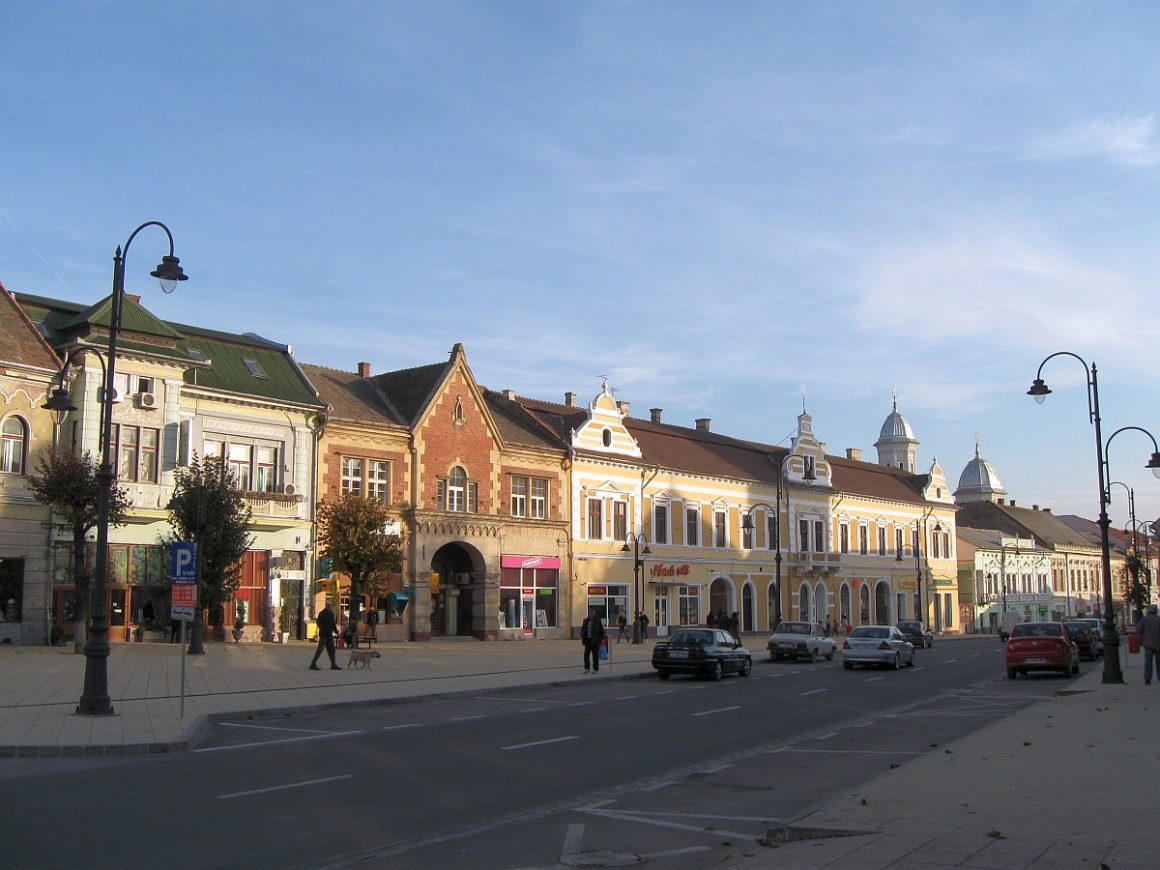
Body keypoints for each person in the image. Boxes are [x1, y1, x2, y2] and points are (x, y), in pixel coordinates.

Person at [310, 602, 342, 671]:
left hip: (329, 635)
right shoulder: (322, 613)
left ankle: (333, 664)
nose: (329, 607)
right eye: (328, 605)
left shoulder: (331, 613)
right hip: (323, 635)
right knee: (320, 649)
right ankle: (313, 663)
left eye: (330, 605)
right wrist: (323, 629)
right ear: (326, 606)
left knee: (332, 650)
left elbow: (333, 624)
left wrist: (336, 631)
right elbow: (318, 623)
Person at [1136, 604, 1160, 685]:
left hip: (1147, 643)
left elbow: (1138, 630)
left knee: (1148, 662)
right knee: (1159, 662)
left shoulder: (1145, 620)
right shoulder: (1158, 620)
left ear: (1149, 611)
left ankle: (1147, 678)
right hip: (1158, 644)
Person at [580, 607, 605, 673]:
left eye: (591, 613)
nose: (590, 614)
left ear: (594, 614)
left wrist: (602, 639)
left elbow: (602, 631)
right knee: (586, 655)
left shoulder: (598, 621)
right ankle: (587, 668)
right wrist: (582, 635)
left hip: (595, 641)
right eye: (589, 613)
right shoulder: (585, 621)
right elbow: (583, 629)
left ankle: (595, 669)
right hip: (587, 640)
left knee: (595, 656)